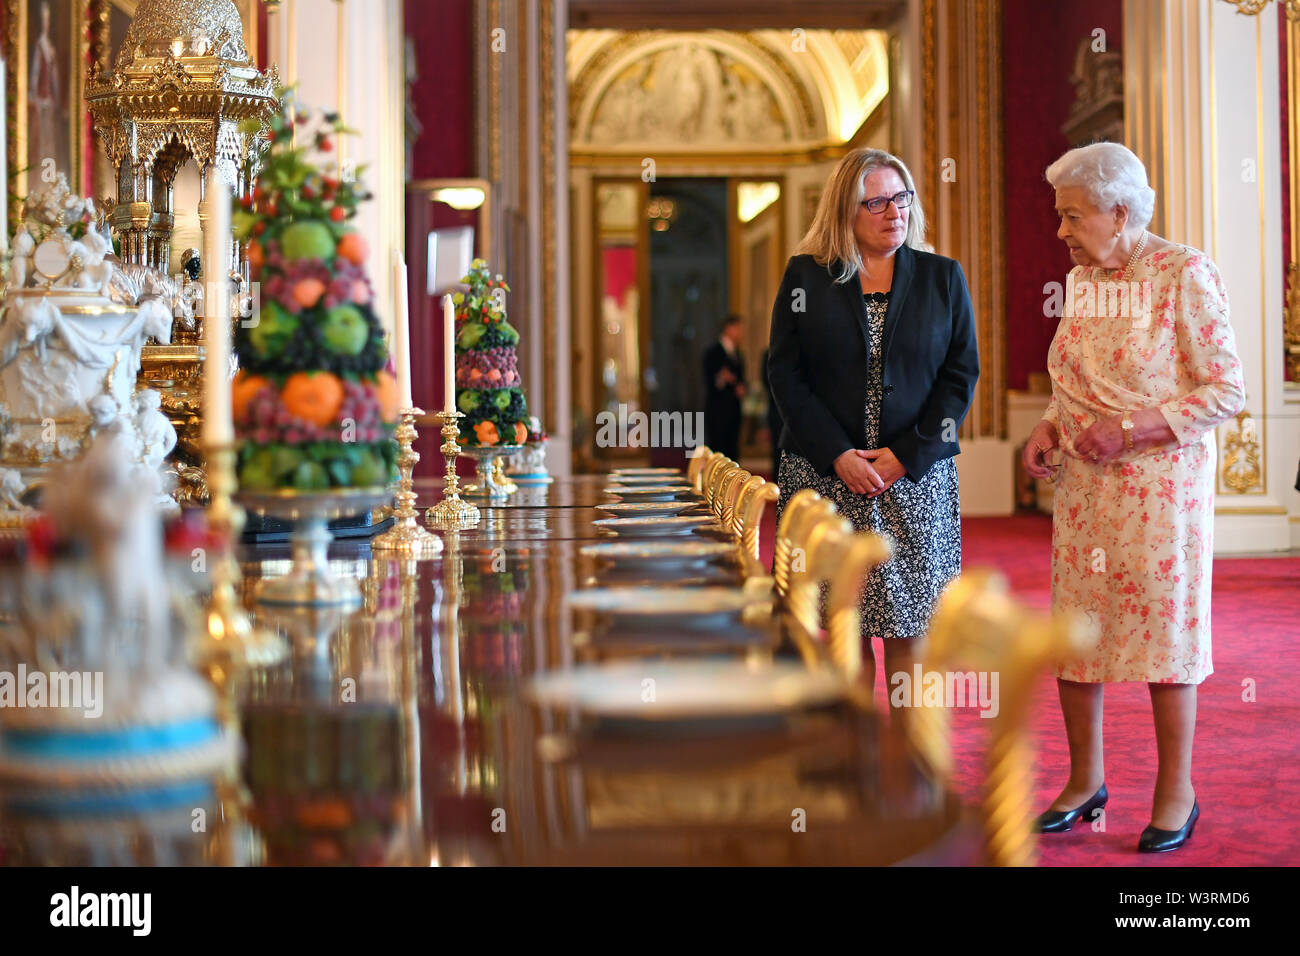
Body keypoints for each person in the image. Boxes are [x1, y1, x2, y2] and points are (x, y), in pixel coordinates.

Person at [1023, 142, 1245, 853]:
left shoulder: (1184, 272)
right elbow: (1073, 380)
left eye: (1072, 215)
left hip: (1159, 495)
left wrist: (1130, 429)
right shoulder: (1086, 279)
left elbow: (1226, 389)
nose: (1061, 231)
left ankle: (1176, 791)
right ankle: (1086, 780)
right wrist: (1049, 426)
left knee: (1165, 641)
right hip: (1086, 493)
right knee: (1078, 636)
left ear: (1119, 213)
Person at [767, 148, 979, 698]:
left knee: (911, 627)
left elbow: (960, 377)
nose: (895, 213)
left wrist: (908, 454)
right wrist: (837, 453)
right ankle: (855, 759)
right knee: (844, 623)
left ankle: (908, 760)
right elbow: (786, 376)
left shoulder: (943, 278)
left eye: (901, 198)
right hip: (824, 476)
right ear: (846, 211)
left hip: (913, 479)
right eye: (878, 202)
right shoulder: (805, 278)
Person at [702, 314, 746, 460]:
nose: (741, 333)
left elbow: (741, 379)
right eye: (738, 329)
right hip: (718, 412)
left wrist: (740, 387)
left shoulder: (738, 353)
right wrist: (721, 377)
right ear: (728, 328)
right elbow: (708, 380)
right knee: (719, 453)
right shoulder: (713, 352)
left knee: (732, 452)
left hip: (733, 410)